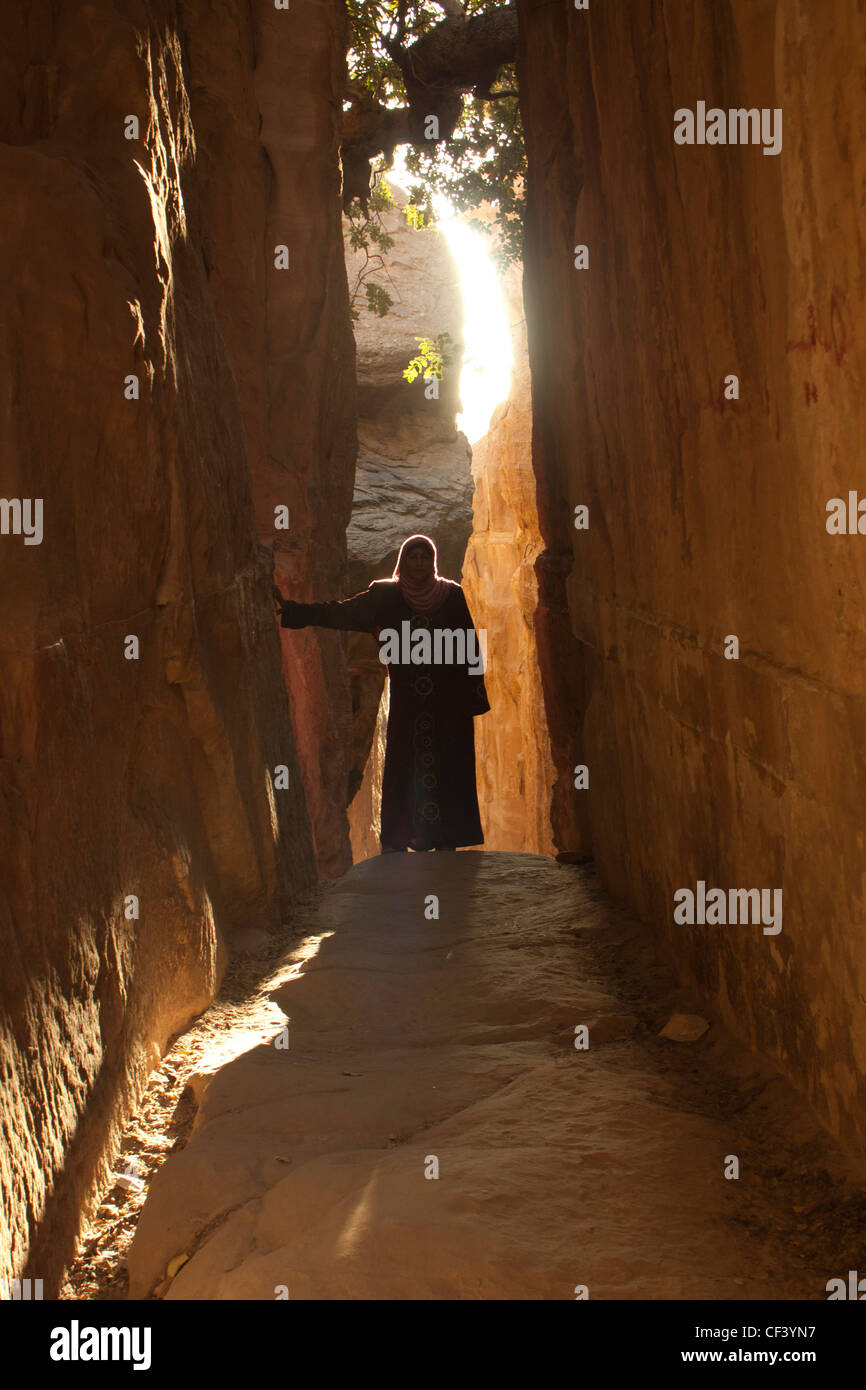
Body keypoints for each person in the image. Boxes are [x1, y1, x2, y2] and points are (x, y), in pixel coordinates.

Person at [273, 535, 490, 853]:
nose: (419, 563)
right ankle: (401, 837)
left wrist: (473, 698)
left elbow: (470, 647)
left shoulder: (452, 595)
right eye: (413, 557)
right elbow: (343, 613)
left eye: (424, 557)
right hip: (409, 702)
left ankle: (445, 838)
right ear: (403, 561)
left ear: (433, 562)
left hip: (448, 704)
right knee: (405, 765)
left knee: (448, 768)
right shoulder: (386, 595)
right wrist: (296, 612)